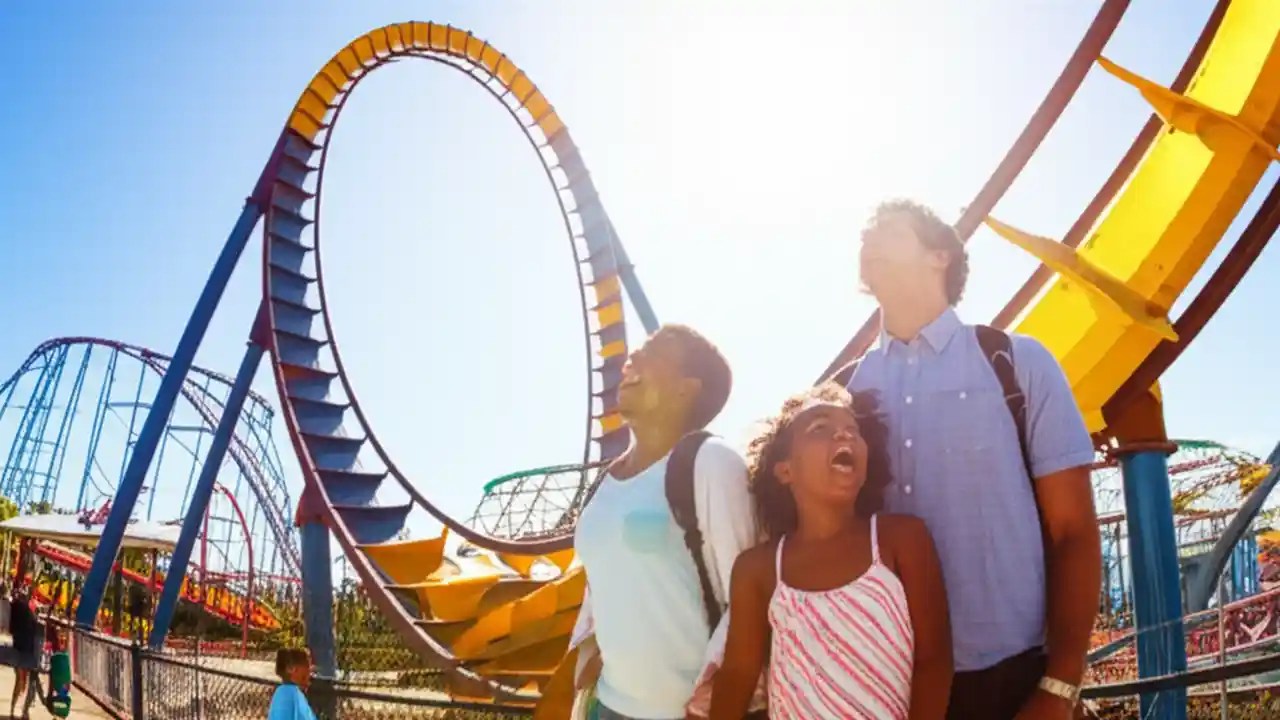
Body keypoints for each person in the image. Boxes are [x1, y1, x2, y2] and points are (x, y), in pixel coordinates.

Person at [845, 199, 1102, 719]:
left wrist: (1059, 687)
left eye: (887, 231)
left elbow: (1073, 528)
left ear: (940, 255)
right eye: (863, 236)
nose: (868, 243)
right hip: (889, 683)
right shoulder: (843, 396)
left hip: (1014, 678)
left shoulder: (1015, 363)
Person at [708, 383, 952, 719]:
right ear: (785, 470)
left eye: (853, 430)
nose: (845, 436)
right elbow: (738, 674)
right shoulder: (758, 568)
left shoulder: (901, 539)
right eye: (821, 428)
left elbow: (934, 660)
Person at [568, 324, 760, 720]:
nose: (631, 358)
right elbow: (600, 592)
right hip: (607, 707)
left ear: (686, 388)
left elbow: (747, 605)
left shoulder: (711, 464)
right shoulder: (605, 484)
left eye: (652, 351)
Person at [8, 584, 42, 720]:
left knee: (19, 680)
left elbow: (11, 629)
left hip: (18, 648)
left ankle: (14, 709)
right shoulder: (28, 614)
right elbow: (35, 630)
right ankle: (23, 711)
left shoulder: (16, 612)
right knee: (26, 681)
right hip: (28, 651)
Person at [268, 648, 317, 720]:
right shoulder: (292, 694)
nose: (310, 672)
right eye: (307, 666)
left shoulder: (281, 692)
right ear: (291, 669)